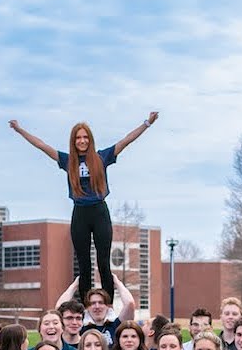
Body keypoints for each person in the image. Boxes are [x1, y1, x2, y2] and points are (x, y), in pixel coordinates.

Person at [10, 113, 159, 305]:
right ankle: (87, 306)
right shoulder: (68, 161)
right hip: (80, 213)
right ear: (73, 141)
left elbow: (126, 141)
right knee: (84, 264)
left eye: (85, 137)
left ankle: (107, 305)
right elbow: (42, 145)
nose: (82, 141)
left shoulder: (101, 157)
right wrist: (20, 130)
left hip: (99, 212)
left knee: (103, 262)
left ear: (90, 140)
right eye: (78, 138)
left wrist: (147, 123)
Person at [60, 278, 136, 345]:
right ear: (87, 308)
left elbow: (130, 303)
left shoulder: (116, 325)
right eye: (93, 303)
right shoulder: (80, 327)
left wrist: (117, 282)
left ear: (107, 306)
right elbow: (60, 308)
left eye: (101, 303)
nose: (97, 306)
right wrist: (74, 285)